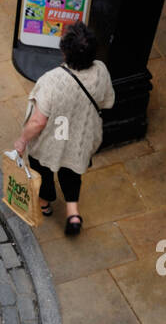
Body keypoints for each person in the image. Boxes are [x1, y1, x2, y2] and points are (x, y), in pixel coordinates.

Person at [14, 21, 115, 236]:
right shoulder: (101, 71)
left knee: (43, 170)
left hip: (52, 139)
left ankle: (44, 203)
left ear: (64, 52)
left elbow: (38, 122)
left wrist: (22, 141)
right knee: (72, 170)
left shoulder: (51, 81)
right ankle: (73, 213)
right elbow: (107, 102)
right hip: (81, 136)